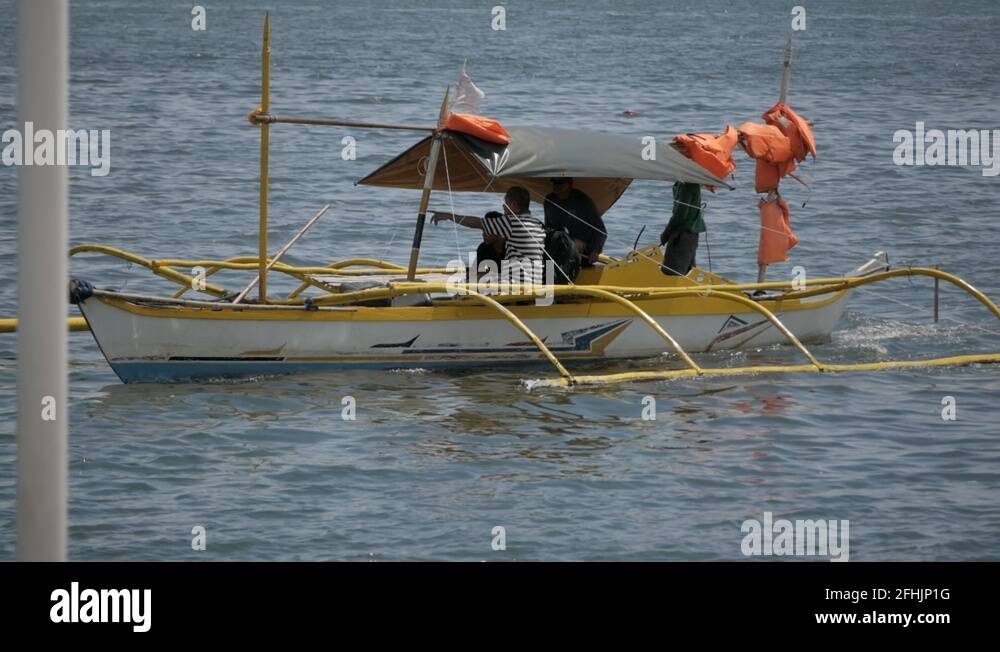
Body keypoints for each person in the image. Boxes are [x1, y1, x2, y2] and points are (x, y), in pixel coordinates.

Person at [431, 186, 545, 285]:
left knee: (466, 282)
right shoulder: (537, 224)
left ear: (514, 205)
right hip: (536, 281)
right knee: (477, 277)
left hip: (518, 282)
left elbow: (477, 223)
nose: (504, 208)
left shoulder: (512, 222)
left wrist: (449, 216)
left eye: (505, 204)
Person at [543, 178, 607, 265]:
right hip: (561, 245)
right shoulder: (549, 200)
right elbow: (549, 228)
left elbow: (601, 230)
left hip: (582, 251)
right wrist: (570, 241)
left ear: (570, 184)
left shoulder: (583, 201)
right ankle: (549, 277)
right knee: (547, 254)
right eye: (554, 183)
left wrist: (596, 250)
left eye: (560, 183)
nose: (556, 186)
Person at [659, 181, 705, 276]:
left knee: (672, 271)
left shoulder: (687, 185)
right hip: (690, 233)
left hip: (682, 234)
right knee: (688, 269)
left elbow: (680, 215)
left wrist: (666, 234)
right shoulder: (689, 183)